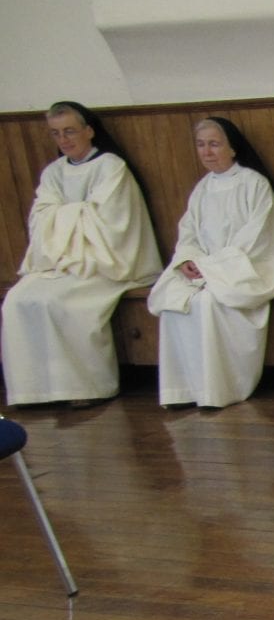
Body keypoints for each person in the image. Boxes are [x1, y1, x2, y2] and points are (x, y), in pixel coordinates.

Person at [2, 101, 161, 406]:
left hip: (103, 262)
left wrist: (61, 216)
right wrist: (75, 215)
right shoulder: (53, 172)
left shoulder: (111, 167)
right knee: (18, 300)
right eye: (56, 133)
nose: (64, 140)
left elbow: (108, 219)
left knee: (58, 301)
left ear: (89, 131)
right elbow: (40, 217)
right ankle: (36, 391)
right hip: (61, 260)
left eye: (70, 131)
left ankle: (85, 388)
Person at [147, 117, 274, 409]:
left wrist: (213, 268)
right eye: (201, 145)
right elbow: (188, 233)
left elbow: (257, 238)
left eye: (214, 144)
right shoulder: (202, 189)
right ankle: (185, 390)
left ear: (233, 148)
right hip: (208, 270)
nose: (207, 152)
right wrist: (187, 260)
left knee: (208, 303)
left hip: (243, 269)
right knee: (173, 300)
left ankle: (218, 390)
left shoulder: (254, 184)